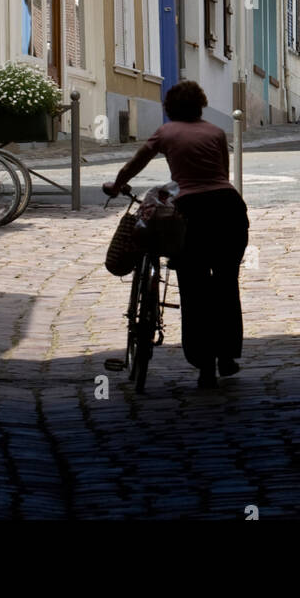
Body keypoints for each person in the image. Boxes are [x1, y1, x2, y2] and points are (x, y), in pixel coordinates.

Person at [103, 81, 249, 390]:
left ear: (169, 108)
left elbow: (136, 164)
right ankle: (227, 357)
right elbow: (221, 173)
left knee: (194, 288)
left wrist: (117, 185)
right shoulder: (216, 132)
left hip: (190, 213)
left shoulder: (166, 133)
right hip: (228, 209)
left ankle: (205, 365)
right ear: (201, 104)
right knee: (226, 283)